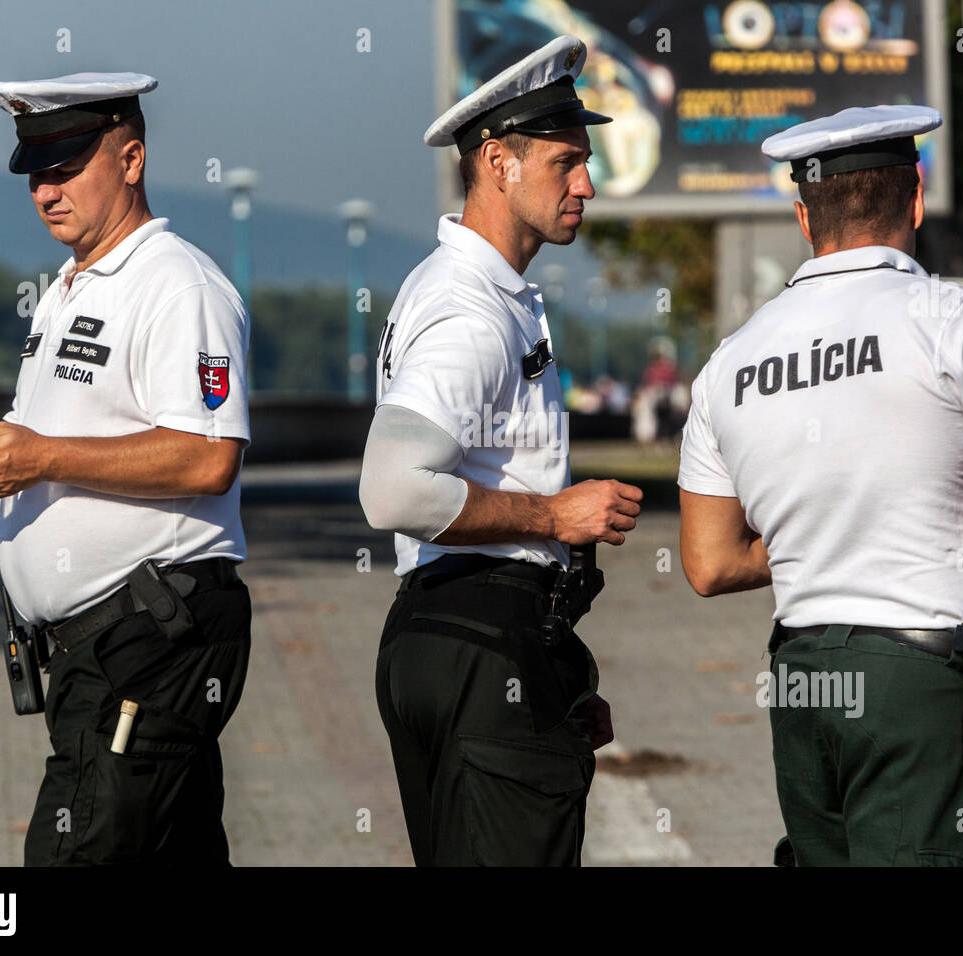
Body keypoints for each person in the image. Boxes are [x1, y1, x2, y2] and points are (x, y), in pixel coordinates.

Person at [677, 105, 963, 866]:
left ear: (803, 216)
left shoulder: (731, 360)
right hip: (916, 684)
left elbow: (710, 564)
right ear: (915, 196)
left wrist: (817, 537)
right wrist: (955, 517)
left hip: (801, 680)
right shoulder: (957, 317)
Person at [0, 72, 252, 865]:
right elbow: (75, 437)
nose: (48, 189)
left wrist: (39, 456)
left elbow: (210, 456)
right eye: (37, 171)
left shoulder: (177, 283)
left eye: (69, 165)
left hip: (145, 636)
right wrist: (2, 447)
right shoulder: (65, 292)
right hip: (91, 652)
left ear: (132, 159)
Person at [359, 35, 643, 866]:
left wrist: (551, 671)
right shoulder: (470, 308)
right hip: (478, 636)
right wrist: (556, 513)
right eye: (566, 163)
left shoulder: (482, 292)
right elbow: (393, 489)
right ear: (498, 163)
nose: (587, 185)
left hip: (470, 637)